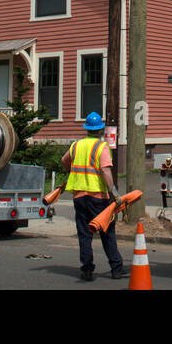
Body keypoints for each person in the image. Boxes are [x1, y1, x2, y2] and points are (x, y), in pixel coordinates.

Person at [61, 112, 125, 281]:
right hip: (98, 198)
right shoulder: (101, 147)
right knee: (107, 232)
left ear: (87, 129)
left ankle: (87, 269)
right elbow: (105, 170)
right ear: (101, 130)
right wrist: (114, 193)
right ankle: (116, 268)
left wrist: (70, 171)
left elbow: (64, 161)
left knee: (84, 234)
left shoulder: (76, 145)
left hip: (80, 197)